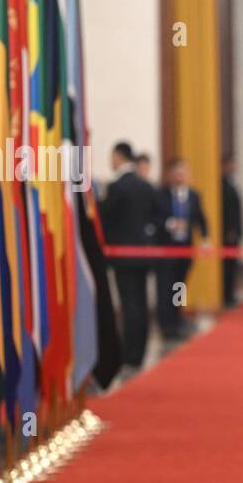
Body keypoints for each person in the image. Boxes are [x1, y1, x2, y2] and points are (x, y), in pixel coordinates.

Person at [101, 141, 159, 368]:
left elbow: (106, 218)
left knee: (129, 305)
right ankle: (140, 352)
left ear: (119, 156)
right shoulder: (145, 186)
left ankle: (129, 353)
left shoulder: (117, 187)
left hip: (123, 256)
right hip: (144, 254)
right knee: (141, 304)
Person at [154, 157, 209, 340]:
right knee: (165, 288)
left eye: (183, 172)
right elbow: (153, 218)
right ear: (170, 174)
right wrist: (170, 224)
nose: (180, 176)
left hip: (185, 250)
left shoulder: (193, 195)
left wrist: (205, 239)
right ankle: (166, 325)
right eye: (177, 172)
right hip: (166, 250)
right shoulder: (160, 194)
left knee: (179, 287)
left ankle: (177, 320)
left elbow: (201, 219)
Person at [221, 157, 243, 308]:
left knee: (232, 265)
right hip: (228, 232)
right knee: (227, 266)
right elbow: (227, 210)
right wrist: (230, 229)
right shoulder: (222, 185)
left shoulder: (231, 182)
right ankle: (226, 296)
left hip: (234, 231)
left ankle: (230, 293)